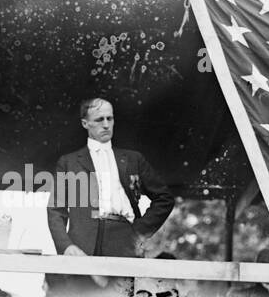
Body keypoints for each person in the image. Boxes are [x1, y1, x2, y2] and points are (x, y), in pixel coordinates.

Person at [46, 97, 175, 259]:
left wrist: (139, 232)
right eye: (99, 120)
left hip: (125, 241)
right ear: (85, 123)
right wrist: (66, 246)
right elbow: (56, 210)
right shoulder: (69, 162)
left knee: (123, 285)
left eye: (110, 118)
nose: (106, 125)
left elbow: (164, 198)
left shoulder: (134, 159)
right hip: (82, 245)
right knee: (83, 286)